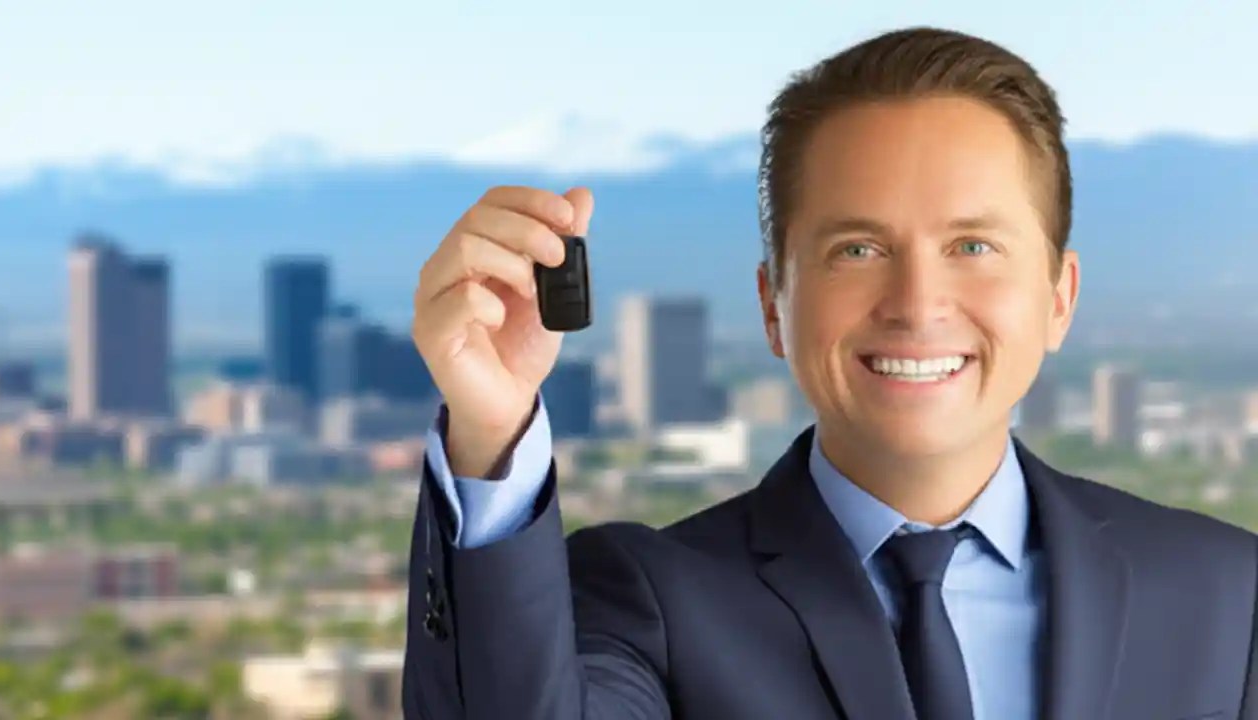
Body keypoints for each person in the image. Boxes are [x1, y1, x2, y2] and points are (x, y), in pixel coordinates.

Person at [402, 25, 1258, 720]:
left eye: (972, 246)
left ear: (1059, 298)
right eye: (857, 249)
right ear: (774, 305)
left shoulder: (1226, 594)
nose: (917, 304)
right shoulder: (651, 601)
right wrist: (492, 428)